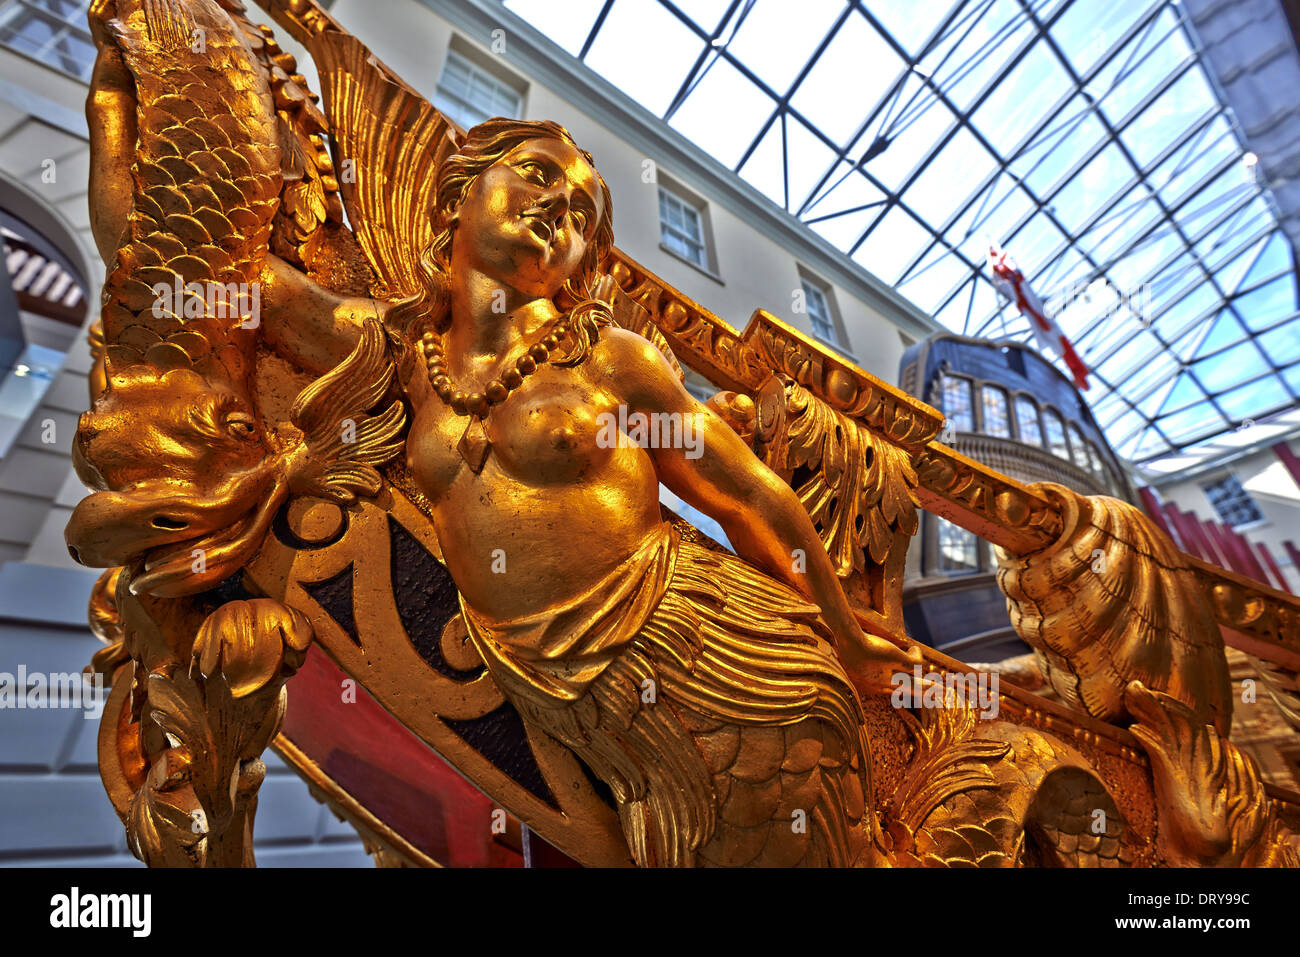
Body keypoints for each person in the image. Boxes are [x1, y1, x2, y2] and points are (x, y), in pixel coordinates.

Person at [261, 118, 919, 866]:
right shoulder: (411, 362)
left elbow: (747, 495)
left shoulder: (611, 360)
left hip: (716, 652)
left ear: (576, 266)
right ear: (456, 196)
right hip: (569, 696)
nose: (557, 210)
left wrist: (845, 633)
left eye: (580, 215)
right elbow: (271, 300)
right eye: (537, 175)